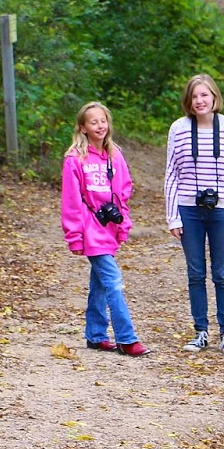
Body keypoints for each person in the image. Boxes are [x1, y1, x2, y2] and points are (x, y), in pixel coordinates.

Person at [164, 74, 224, 355]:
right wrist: (173, 216)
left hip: (222, 208)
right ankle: (200, 331)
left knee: (221, 272)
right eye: (195, 96)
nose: (200, 101)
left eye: (204, 95)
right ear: (188, 101)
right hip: (189, 209)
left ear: (214, 96)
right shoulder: (178, 128)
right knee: (195, 272)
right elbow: (172, 174)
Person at [61, 101, 147, 356]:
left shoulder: (115, 155)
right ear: (83, 128)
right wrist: (74, 235)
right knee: (113, 281)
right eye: (93, 122)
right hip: (89, 229)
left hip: (109, 227)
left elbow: (123, 192)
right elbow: (71, 201)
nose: (100, 126)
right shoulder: (74, 160)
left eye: (103, 121)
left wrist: (123, 224)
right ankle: (126, 339)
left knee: (99, 283)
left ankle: (96, 335)